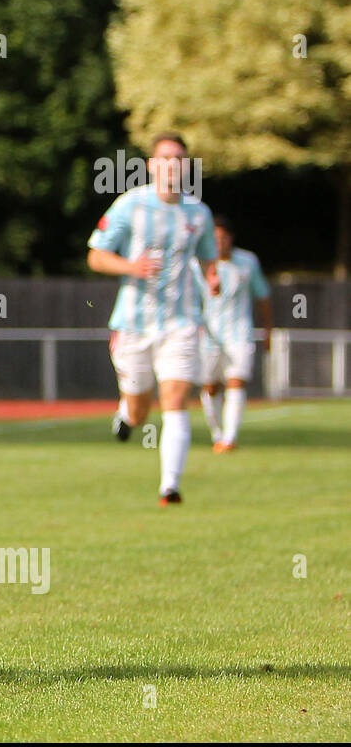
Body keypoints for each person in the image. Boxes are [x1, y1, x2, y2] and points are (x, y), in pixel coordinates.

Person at [87, 132, 219, 505]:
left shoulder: (198, 213)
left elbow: (208, 258)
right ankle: (127, 416)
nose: (172, 165)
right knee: (140, 409)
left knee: (175, 398)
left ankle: (170, 487)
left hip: (181, 323)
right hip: (134, 325)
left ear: (186, 166)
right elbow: (96, 256)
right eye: (165, 158)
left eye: (179, 159)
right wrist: (132, 266)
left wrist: (212, 278)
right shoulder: (131, 205)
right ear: (152, 165)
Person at [196, 216, 272, 451]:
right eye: (215, 238)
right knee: (210, 387)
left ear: (231, 238)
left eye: (223, 237)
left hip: (239, 334)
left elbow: (262, 296)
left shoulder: (247, 262)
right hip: (208, 336)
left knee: (236, 382)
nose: (219, 242)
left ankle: (230, 438)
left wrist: (268, 330)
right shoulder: (197, 264)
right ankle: (217, 433)